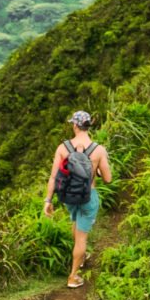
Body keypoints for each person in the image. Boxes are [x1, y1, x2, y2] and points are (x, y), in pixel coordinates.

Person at [41, 109, 112, 288]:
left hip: (68, 197)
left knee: (76, 224)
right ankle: (73, 276)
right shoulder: (98, 150)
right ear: (88, 126)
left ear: (74, 125)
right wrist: (94, 169)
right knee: (82, 238)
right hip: (88, 197)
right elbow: (108, 179)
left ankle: (79, 256)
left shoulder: (63, 148)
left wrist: (48, 201)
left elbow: (53, 177)